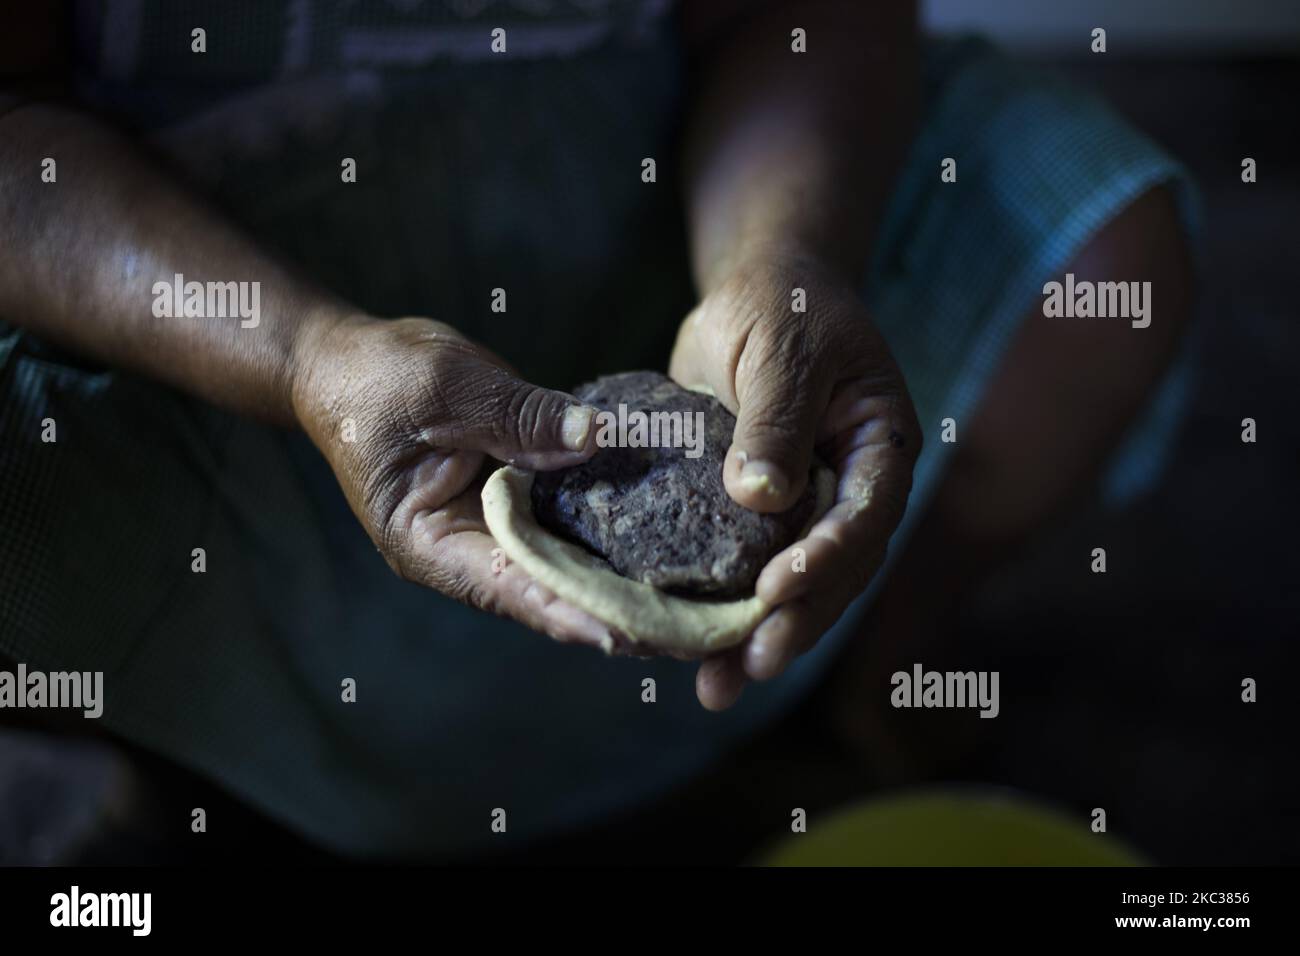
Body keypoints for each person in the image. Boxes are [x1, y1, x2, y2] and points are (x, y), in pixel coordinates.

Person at [0, 1, 1196, 859]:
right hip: (201, 296)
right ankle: (177, 758)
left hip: (678, 198)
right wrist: (308, 355)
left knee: (1103, 257)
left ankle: (864, 676)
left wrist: (777, 261)